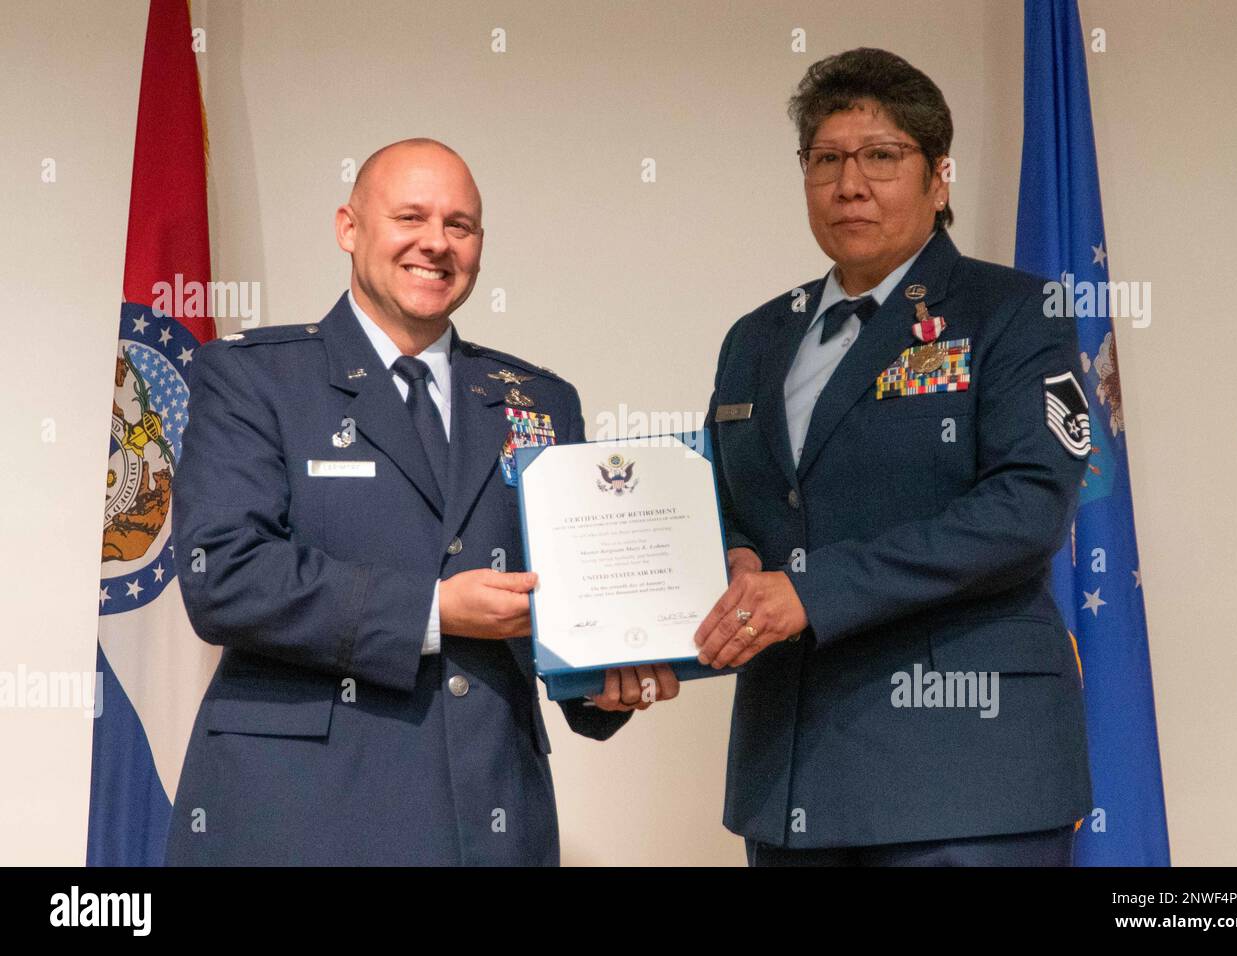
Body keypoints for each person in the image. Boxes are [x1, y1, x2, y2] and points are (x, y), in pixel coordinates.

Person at [165, 138, 677, 866]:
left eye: (459, 225)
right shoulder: (255, 380)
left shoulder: (537, 401)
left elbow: (567, 600)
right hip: (298, 814)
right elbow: (226, 577)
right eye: (411, 217)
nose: (436, 243)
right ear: (349, 228)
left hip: (487, 812)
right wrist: (432, 613)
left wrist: (605, 678)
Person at [695, 49, 1093, 866]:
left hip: (964, 772)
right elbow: (732, 499)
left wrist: (810, 589)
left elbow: (1024, 511)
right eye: (826, 160)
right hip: (794, 771)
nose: (850, 185)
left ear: (938, 177)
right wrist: (729, 551)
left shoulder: (1012, 313)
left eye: (881, 156)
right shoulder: (756, 337)